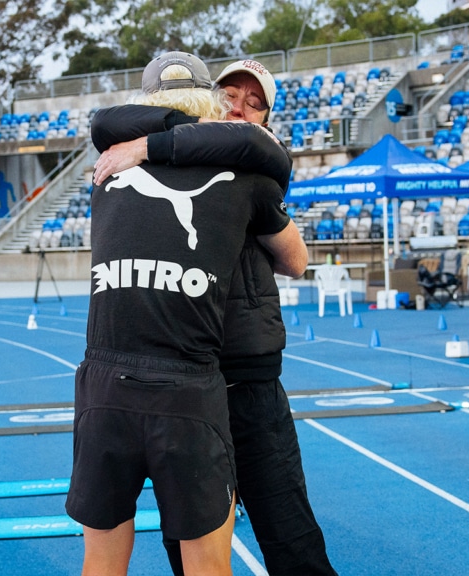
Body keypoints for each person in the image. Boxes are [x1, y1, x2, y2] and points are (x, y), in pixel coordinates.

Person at [91, 59, 339, 576]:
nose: (240, 108)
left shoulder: (255, 167)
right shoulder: (165, 156)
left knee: (288, 533)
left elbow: (296, 261)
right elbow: (105, 124)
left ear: (268, 119)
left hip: (246, 380)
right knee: (187, 544)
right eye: (231, 94)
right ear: (206, 98)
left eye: (255, 103)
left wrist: (233, 208)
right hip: (181, 384)